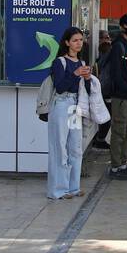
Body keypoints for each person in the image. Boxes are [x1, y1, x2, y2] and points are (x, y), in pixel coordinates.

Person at [47, 26, 92, 200]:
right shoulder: (60, 62)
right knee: (59, 147)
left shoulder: (81, 63)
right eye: (75, 40)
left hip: (75, 105)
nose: (78, 43)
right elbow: (60, 87)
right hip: (61, 105)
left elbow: (83, 89)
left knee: (75, 147)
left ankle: (73, 186)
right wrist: (75, 74)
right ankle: (59, 189)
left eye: (81, 40)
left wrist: (87, 79)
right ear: (67, 43)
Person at [99, 13, 127, 180]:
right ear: (122, 26)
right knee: (119, 132)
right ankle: (115, 167)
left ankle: (123, 164)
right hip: (121, 97)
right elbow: (116, 73)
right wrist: (126, 90)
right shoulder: (118, 46)